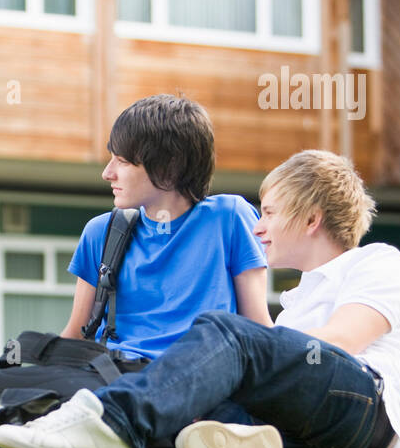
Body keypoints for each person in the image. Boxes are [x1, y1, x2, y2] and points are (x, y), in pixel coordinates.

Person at [0, 150, 400, 448]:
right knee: (199, 407)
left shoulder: (377, 261)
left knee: (227, 332)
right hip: (316, 425)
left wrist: (243, 353)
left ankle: (109, 422)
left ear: (311, 220)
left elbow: (340, 344)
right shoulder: (298, 302)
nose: (258, 226)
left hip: (367, 406)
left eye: (269, 213)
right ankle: (239, 440)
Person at [62, 94, 272, 358]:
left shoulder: (229, 218)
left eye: (123, 161)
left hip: (203, 380)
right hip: (115, 381)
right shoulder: (102, 232)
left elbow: (257, 327)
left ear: (169, 167)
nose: (107, 173)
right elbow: (76, 335)